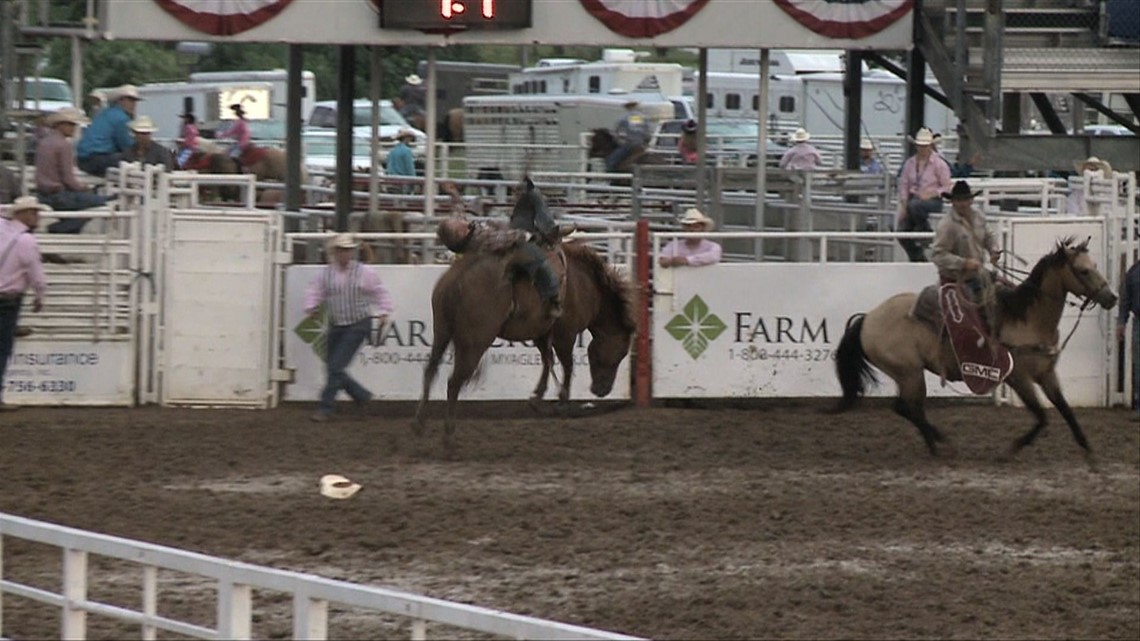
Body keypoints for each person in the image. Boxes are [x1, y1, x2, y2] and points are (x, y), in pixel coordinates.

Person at [303, 233, 394, 422]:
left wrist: (384, 310)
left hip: (358, 323)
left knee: (335, 366)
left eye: (347, 250)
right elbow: (315, 290)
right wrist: (311, 306)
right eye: (341, 250)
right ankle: (361, 395)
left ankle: (325, 407)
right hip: (337, 323)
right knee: (332, 366)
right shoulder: (325, 273)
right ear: (334, 252)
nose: (344, 254)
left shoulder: (365, 272)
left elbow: (380, 291)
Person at [930, 180, 1001, 345]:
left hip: (978, 275)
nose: (963, 204)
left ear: (971, 200)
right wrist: (963, 263)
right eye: (959, 200)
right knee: (975, 308)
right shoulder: (946, 225)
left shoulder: (978, 217)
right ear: (953, 202)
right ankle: (980, 339)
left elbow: (988, 236)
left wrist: (993, 250)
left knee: (1006, 291)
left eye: (965, 200)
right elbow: (937, 254)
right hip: (956, 280)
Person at [0, 197, 49, 410]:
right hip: (7, 300)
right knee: (2, 348)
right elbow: (36, 274)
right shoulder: (26, 241)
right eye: (34, 213)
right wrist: (40, 296)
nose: (37, 217)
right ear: (25, 214)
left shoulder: (2, 229)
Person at [35, 107, 112, 233]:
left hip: (43, 193)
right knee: (102, 203)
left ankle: (64, 229)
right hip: (59, 195)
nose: (74, 128)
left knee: (86, 205)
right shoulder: (63, 145)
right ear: (61, 125)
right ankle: (59, 229)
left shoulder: (44, 142)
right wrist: (83, 187)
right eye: (71, 125)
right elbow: (68, 179)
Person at [896, 127, 953, 262]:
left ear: (930, 146)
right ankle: (917, 256)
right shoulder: (910, 163)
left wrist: (932, 193)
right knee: (901, 232)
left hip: (932, 201)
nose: (922, 149)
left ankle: (924, 232)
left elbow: (947, 186)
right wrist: (903, 205)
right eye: (920, 146)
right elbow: (903, 184)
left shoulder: (939, 164)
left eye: (925, 146)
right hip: (913, 201)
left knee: (915, 206)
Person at [75, 84, 141, 177]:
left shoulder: (104, 113)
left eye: (134, 101)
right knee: (133, 160)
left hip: (82, 159)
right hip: (97, 159)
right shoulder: (121, 118)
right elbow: (126, 144)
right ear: (120, 100)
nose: (133, 104)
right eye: (130, 100)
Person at [606, 100, 652, 173]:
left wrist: (619, 140)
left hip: (628, 144)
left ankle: (612, 174)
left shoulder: (624, 118)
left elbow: (616, 132)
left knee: (611, 160)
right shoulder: (644, 118)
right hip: (641, 145)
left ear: (628, 107)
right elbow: (648, 133)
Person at [1118, 259, 1139, 413]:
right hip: (1139, 322)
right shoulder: (1134, 272)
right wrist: (1121, 322)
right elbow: (1125, 299)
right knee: (1139, 365)